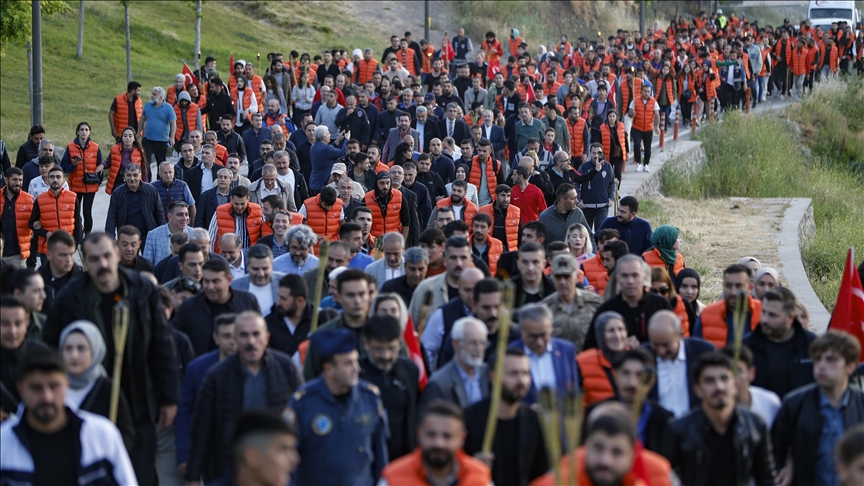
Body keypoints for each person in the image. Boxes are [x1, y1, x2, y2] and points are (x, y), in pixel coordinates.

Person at [43, 233, 179, 485]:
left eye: (107, 256)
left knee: (139, 472)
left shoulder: (142, 290)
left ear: (116, 253)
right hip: (90, 401)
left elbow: (162, 344)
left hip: (139, 398)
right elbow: (50, 348)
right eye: (94, 259)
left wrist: (169, 398)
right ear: (84, 261)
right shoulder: (71, 296)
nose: (102, 264)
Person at [185, 311, 302, 484]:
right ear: (235, 339)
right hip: (229, 469)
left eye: (256, 334)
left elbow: (301, 415)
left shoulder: (286, 368)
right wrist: (192, 476)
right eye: (244, 335)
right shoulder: (216, 376)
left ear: (267, 337)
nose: (251, 342)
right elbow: (201, 428)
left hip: (277, 466)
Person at [0, 347, 137, 485]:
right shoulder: (4, 442)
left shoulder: (102, 434)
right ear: (21, 389)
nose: (47, 397)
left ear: (67, 384)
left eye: (54, 386)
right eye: (36, 388)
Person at [289, 329, 389, 484]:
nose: (357, 368)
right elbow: (289, 459)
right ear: (329, 369)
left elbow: (381, 455)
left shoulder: (369, 398)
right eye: (348, 363)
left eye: (356, 361)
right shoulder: (303, 402)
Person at [661, 352, 777, 485]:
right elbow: (665, 475)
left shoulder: (754, 424)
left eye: (724, 379)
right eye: (710, 381)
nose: (719, 387)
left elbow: (767, 477)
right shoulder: (678, 429)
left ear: (735, 385)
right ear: (698, 390)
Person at [772, 330, 864, 485]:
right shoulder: (795, 404)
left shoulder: (861, 403)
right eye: (817, 359)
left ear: (850, 367)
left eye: (830, 360)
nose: (821, 366)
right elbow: (774, 452)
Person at [463, 348, 548, 486]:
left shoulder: (535, 421)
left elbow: (544, 473)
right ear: (492, 377)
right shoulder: (470, 420)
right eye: (513, 374)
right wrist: (473, 466)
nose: (521, 381)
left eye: (525, 373)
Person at [59, 320, 135, 450]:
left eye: (81, 348)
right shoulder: (53, 387)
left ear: (94, 351)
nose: (74, 356)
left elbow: (127, 434)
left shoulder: (107, 389)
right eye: (68, 349)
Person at [379, 399, 491, 485]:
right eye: (431, 435)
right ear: (419, 434)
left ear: (462, 438)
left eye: (447, 436)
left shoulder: (480, 478)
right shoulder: (393, 479)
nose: (438, 443)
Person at [585, 348, 674, 453]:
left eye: (640, 376)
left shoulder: (664, 419)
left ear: (652, 381)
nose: (632, 383)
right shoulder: (596, 412)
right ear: (616, 376)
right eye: (626, 374)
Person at [359, 314, 419, 461]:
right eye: (379, 349)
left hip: (403, 459)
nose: (386, 356)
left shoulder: (410, 370)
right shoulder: (356, 374)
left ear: (399, 344)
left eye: (391, 349)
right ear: (367, 344)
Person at [172, 257, 260, 356]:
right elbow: (174, 340)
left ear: (229, 280)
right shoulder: (189, 307)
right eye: (206, 281)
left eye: (215, 281)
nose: (210, 287)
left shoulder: (247, 301)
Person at [584, 255, 672, 348]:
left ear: (643, 277)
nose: (630, 281)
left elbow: (674, 340)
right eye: (625, 276)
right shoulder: (607, 309)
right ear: (617, 278)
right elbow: (591, 346)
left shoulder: (660, 305)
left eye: (635, 275)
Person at [745, 287, 817, 399]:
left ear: (790, 318)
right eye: (763, 312)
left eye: (772, 315)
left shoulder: (812, 346)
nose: (765, 319)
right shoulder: (747, 346)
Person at [302, 269, 375, 379]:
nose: (357, 301)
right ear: (338, 297)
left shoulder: (384, 330)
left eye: (362, 294)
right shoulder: (324, 335)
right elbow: (310, 377)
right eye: (350, 295)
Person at [645, 310, 716, 419]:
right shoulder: (644, 356)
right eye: (655, 345)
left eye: (666, 345)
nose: (661, 351)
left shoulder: (703, 352)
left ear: (680, 335)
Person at [509, 303, 577, 404]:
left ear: (551, 329)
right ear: (521, 331)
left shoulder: (566, 350)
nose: (539, 342)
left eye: (544, 335)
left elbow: (573, 390)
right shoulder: (510, 354)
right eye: (532, 336)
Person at [543, 253, 604, 351]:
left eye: (567, 277)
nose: (562, 282)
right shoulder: (545, 308)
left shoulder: (595, 303)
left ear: (576, 277)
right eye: (558, 277)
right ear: (552, 278)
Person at [408, 236, 473, 327]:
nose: (458, 263)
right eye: (453, 258)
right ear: (444, 261)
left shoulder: (482, 291)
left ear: (470, 261)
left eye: (463, 258)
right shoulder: (425, 288)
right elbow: (410, 328)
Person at [694, 264, 761, 348]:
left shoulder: (763, 312)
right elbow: (695, 352)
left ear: (750, 287)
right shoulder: (707, 315)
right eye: (729, 286)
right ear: (723, 286)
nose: (733, 292)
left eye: (739, 286)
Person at [718, 345, 781, 428]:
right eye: (726, 373)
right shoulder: (711, 406)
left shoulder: (770, 402)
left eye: (737, 371)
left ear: (751, 373)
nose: (732, 378)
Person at [577, 311, 632, 407]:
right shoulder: (582, 363)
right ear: (600, 334)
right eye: (611, 330)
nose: (617, 336)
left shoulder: (636, 359)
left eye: (621, 329)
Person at [59, 122, 102, 237]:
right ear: (77, 132)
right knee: (75, 213)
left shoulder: (95, 147)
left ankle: (87, 235)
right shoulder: (70, 147)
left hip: (90, 186)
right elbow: (64, 168)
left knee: (87, 212)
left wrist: (99, 180)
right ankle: (77, 234)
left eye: (86, 130)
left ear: (90, 132)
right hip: (75, 186)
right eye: (81, 129)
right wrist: (73, 164)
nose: (84, 132)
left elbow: (100, 166)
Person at [104, 163, 166, 243]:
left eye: (135, 175)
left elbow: (160, 213)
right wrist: (110, 239)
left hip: (148, 234)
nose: (132, 178)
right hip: (126, 235)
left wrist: (162, 234)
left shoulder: (151, 190)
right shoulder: (117, 193)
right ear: (124, 176)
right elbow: (111, 217)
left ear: (140, 176)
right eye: (129, 175)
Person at [229, 245, 284, 318]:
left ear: (271, 265)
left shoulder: (285, 282)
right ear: (247, 266)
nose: (261, 274)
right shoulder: (234, 287)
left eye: (265, 269)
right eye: (255, 269)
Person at [208, 186, 265, 253]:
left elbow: (265, 233)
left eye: (242, 204)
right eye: (236, 204)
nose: (239, 207)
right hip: (226, 256)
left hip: (251, 256)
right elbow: (211, 237)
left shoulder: (258, 211)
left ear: (248, 199)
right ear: (231, 199)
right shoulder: (220, 212)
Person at [37, 230, 83, 312]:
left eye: (71, 254)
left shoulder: (82, 280)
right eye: (63, 255)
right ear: (49, 255)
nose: (68, 260)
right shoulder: (37, 282)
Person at [1, 168, 35, 269]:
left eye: (20, 180)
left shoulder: (29, 199)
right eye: (14, 180)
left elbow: (34, 221)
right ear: (6, 180)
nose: (18, 183)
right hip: (1, 251)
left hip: (17, 254)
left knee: (14, 283)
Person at [139, 86, 178, 168]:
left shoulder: (168, 108)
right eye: (152, 94)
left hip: (162, 141)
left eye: (154, 94)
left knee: (161, 163)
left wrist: (172, 137)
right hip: (148, 140)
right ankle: (147, 179)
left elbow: (173, 123)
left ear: (160, 97)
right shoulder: (147, 105)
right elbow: (142, 119)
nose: (152, 96)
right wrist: (138, 132)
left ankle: (160, 179)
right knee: (145, 162)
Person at [143, 201, 192, 265]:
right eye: (180, 215)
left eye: (186, 214)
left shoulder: (193, 234)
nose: (184, 218)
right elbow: (147, 265)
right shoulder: (153, 235)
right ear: (170, 217)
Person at [628, 83, 660, 173]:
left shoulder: (653, 102)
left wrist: (657, 127)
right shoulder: (635, 101)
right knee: (637, 145)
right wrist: (632, 113)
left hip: (648, 128)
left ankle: (646, 164)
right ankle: (638, 163)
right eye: (645, 91)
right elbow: (630, 113)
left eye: (648, 92)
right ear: (641, 91)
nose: (647, 93)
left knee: (647, 147)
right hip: (637, 127)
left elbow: (657, 115)